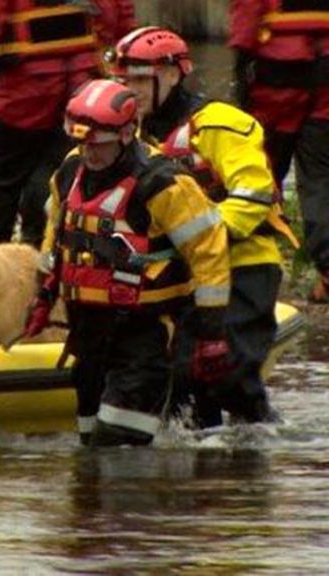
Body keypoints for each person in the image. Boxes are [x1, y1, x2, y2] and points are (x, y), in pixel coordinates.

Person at [23, 79, 232, 447]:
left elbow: (209, 252)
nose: (89, 153)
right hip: (87, 329)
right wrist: (44, 294)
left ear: (125, 133)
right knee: (89, 441)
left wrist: (211, 334)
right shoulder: (71, 172)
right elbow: (57, 235)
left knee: (117, 444)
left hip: (146, 331)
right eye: (82, 143)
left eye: (98, 145)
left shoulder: (163, 183)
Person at [110, 26, 293, 426]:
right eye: (124, 81)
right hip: (179, 274)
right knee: (182, 379)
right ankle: (203, 465)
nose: (130, 90)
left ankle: (260, 433)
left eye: (141, 80)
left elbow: (255, 192)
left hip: (244, 262)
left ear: (174, 75)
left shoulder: (218, 123)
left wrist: (203, 237)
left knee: (228, 372)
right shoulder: (130, 137)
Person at [0, 0, 136, 247]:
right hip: (69, 88)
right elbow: (118, 19)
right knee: (55, 172)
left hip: (32, 90)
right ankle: (33, 250)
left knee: (9, 178)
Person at [230, 0, 329, 303]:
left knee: (259, 179)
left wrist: (241, 94)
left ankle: (250, 269)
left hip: (277, 86)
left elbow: (245, 28)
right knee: (321, 181)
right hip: (324, 82)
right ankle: (327, 272)